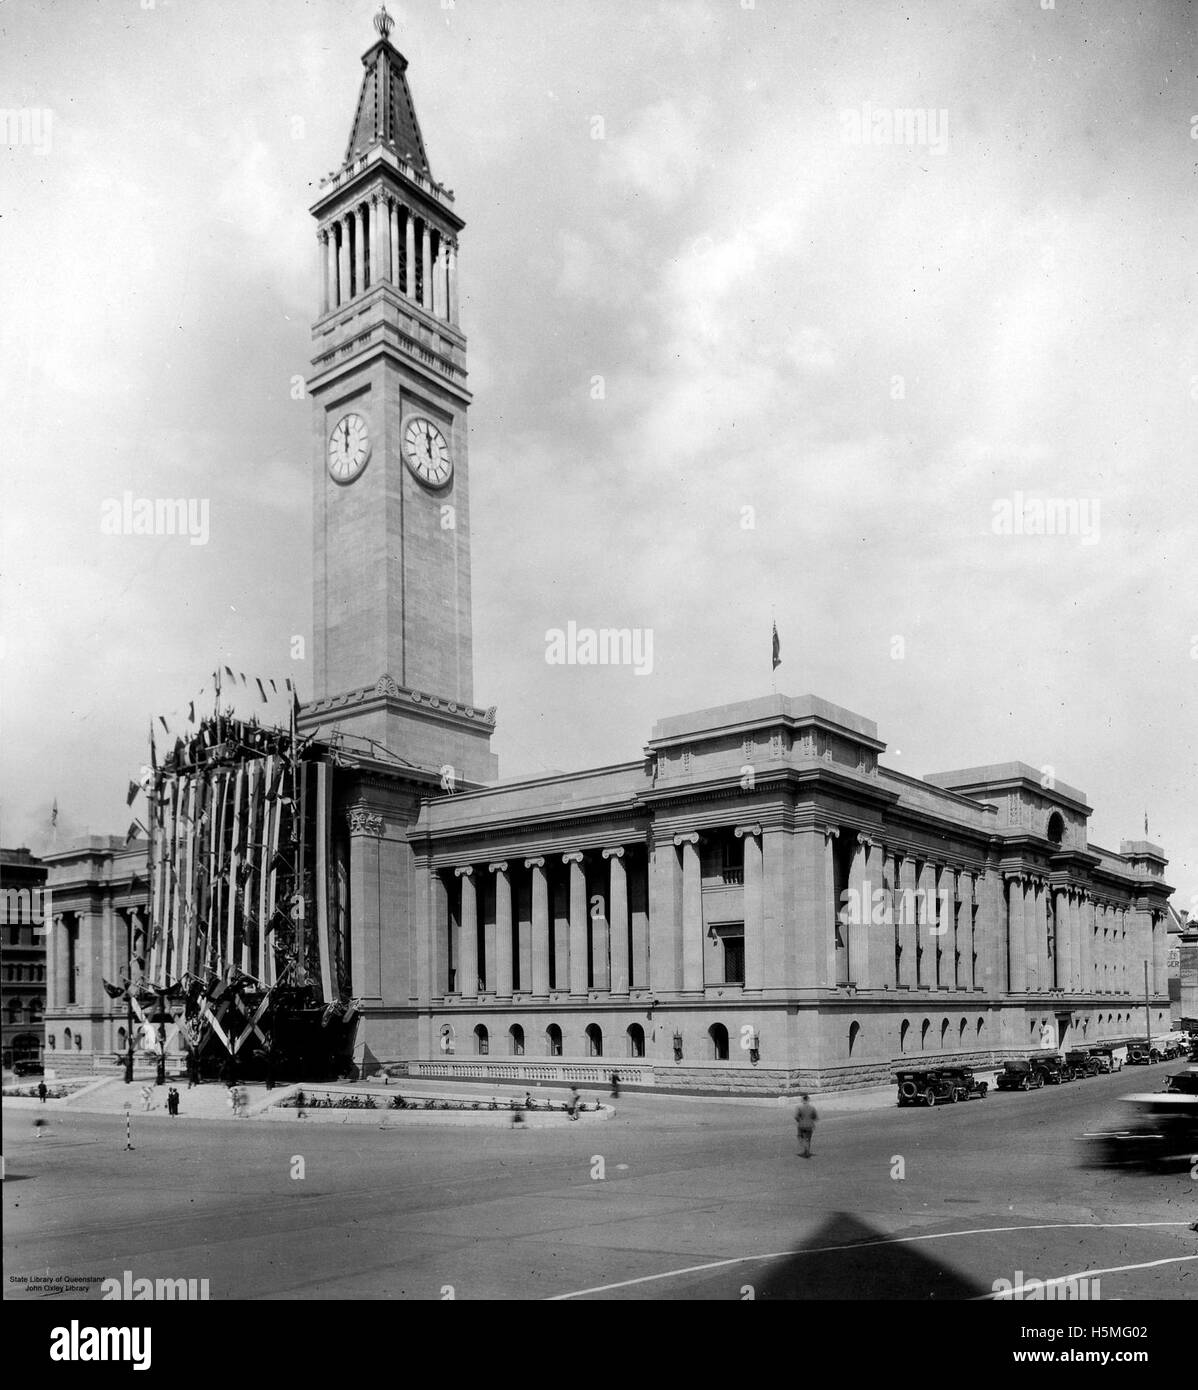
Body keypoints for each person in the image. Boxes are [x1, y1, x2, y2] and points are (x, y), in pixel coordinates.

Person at [794, 1093, 818, 1158]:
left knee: (800, 1137)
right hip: (810, 1125)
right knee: (808, 1139)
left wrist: (800, 1121)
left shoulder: (799, 1107)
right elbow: (815, 1117)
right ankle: (807, 1151)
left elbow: (796, 1117)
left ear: (802, 1100)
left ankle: (806, 1150)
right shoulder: (812, 1108)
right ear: (808, 1099)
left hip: (802, 1125)